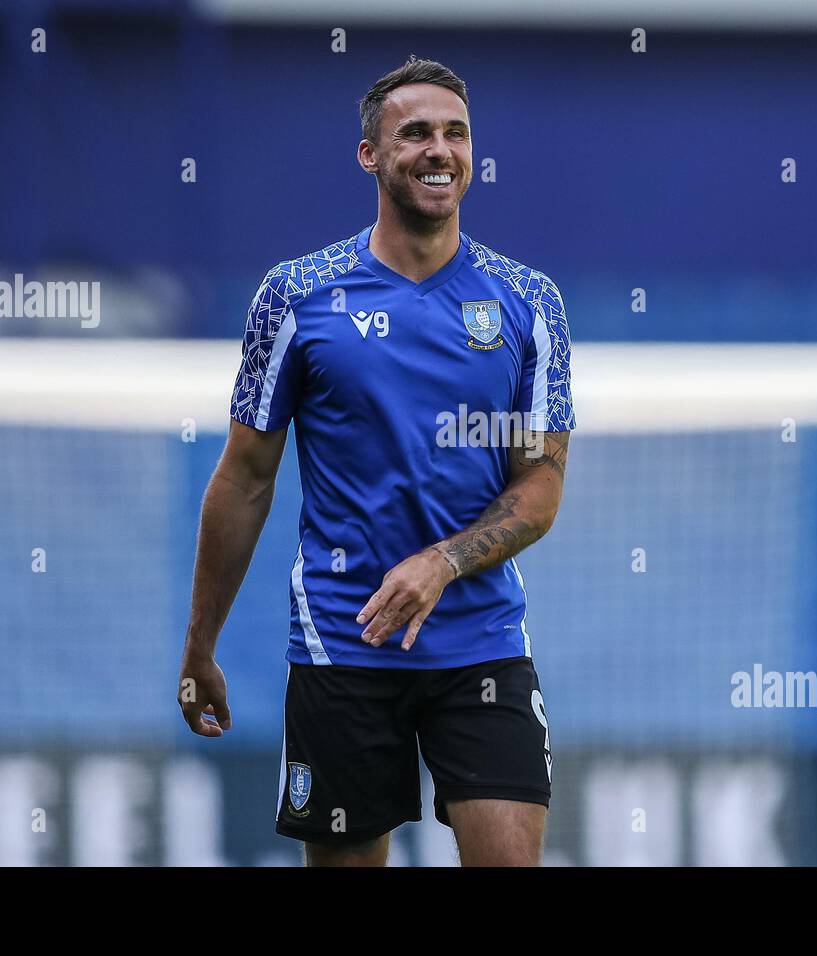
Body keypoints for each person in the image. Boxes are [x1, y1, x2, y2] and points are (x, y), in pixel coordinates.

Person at [178, 56, 574, 866]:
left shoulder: (529, 301)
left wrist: (440, 562)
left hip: (481, 641)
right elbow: (246, 477)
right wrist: (200, 645)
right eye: (416, 133)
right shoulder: (296, 296)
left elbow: (540, 485)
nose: (440, 150)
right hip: (341, 645)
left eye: (456, 134)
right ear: (370, 156)